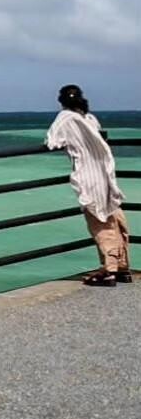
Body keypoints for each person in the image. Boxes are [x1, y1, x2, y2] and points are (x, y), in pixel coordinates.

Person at [46, 84, 131, 287]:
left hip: (89, 176)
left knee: (99, 222)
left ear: (62, 102)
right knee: (114, 217)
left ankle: (109, 271)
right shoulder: (90, 118)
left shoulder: (64, 118)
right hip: (106, 174)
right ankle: (122, 267)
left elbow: (52, 141)